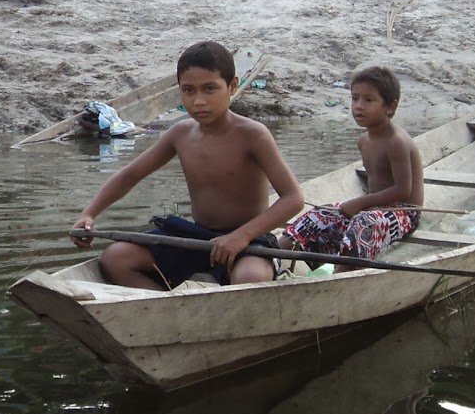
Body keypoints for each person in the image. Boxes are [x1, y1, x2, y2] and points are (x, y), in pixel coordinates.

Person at [71, 41, 304, 290]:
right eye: (189, 91)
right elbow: (130, 175)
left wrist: (241, 236)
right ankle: (168, 312)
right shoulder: (180, 133)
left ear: (232, 86)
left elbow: (293, 198)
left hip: (248, 241)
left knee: (250, 278)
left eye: (210, 89)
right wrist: (89, 213)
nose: (199, 101)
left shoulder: (253, 134)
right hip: (196, 237)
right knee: (116, 258)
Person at [281, 65, 423, 261]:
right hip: (373, 208)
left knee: (364, 224)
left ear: (391, 106)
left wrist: (361, 202)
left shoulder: (396, 141)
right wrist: (362, 204)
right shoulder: (363, 141)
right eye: (355, 98)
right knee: (319, 214)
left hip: (403, 213)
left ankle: (342, 273)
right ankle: (275, 257)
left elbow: (402, 191)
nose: (358, 106)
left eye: (369, 100)